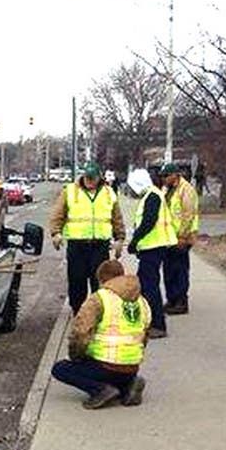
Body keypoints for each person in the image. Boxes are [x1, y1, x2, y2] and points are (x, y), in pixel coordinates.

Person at [51, 259, 150, 409]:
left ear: (102, 279)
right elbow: (145, 335)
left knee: (60, 369)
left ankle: (101, 390)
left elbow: (80, 332)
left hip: (105, 365)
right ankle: (128, 384)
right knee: (116, 372)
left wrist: (76, 356)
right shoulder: (142, 301)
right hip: (132, 365)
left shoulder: (100, 298)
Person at [49, 162, 126, 314]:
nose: (89, 181)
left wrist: (119, 239)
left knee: (100, 281)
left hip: (100, 246)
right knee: (77, 281)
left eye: (93, 178)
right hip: (77, 246)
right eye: (87, 178)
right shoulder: (70, 191)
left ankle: (99, 312)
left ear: (99, 177)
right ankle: (78, 310)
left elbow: (117, 218)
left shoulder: (109, 192)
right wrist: (55, 233)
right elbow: (58, 214)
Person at [125, 167, 176, 338]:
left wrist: (134, 241)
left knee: (149, 286)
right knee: (146, 285)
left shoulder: (152, 196)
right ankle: (151, 321)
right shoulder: (151, 195)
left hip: (153, 247)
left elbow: (148, 222)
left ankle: (158, 324)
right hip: (152, 247)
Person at [160, 163, 200, 315]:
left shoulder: (186, 190)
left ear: (175, 175)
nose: (164, 179)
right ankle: (171, 299)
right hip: (168, 237)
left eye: (166, 176)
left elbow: (188, 215)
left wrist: (182, 236)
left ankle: (181, 301)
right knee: (168, 270)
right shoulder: (167, 189)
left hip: (181, 238)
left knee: (179, 270)